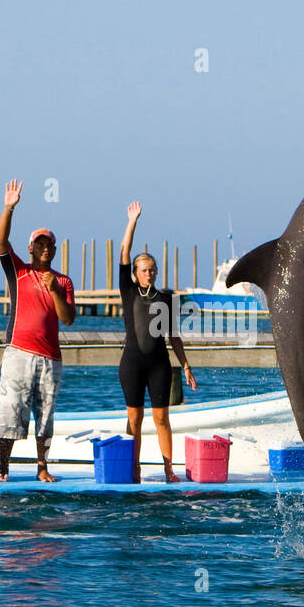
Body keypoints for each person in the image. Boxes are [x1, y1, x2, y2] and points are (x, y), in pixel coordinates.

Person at [0, 178, 75, 481]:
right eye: (39, 243)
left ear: (54, 250)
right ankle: (3, 467)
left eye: (49, 244)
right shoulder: (19, 271)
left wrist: (54, 290)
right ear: (30, 248)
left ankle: (42, 467)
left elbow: (67, 319)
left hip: (50, 358)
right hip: (18, 353)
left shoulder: (64, 281)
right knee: (10, 411)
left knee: (46, 415)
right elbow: (1, 243)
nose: (44, 248)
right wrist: (9, 209)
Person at [118, 201, 197, 482]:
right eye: (144, 269)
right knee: (135, 420)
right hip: (132, 364)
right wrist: (132, 222)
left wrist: (185, 366)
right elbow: (125, 252)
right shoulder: (128, 291)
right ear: (136, 272)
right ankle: (134, 469)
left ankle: (168, 470)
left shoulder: (165, 298)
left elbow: (173, 335)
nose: (149, 273)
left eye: (152, 269)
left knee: (162, 418)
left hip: (159, 365)